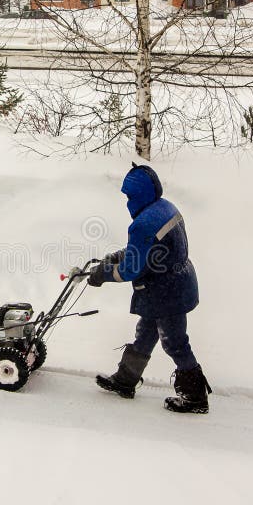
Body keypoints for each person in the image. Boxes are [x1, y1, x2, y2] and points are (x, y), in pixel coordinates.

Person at [87, 163, 212, 414]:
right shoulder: (165, 208)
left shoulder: (143, 223)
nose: (127, 202)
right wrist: (117, 256)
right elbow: (146, 252)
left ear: (141, 194)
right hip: (173, 284)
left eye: (130, 196)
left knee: (174, 342)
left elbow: (132, 269)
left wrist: (104, 274)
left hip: (167, 292)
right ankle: (125, 380)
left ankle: (195, 395)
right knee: (146, 332)